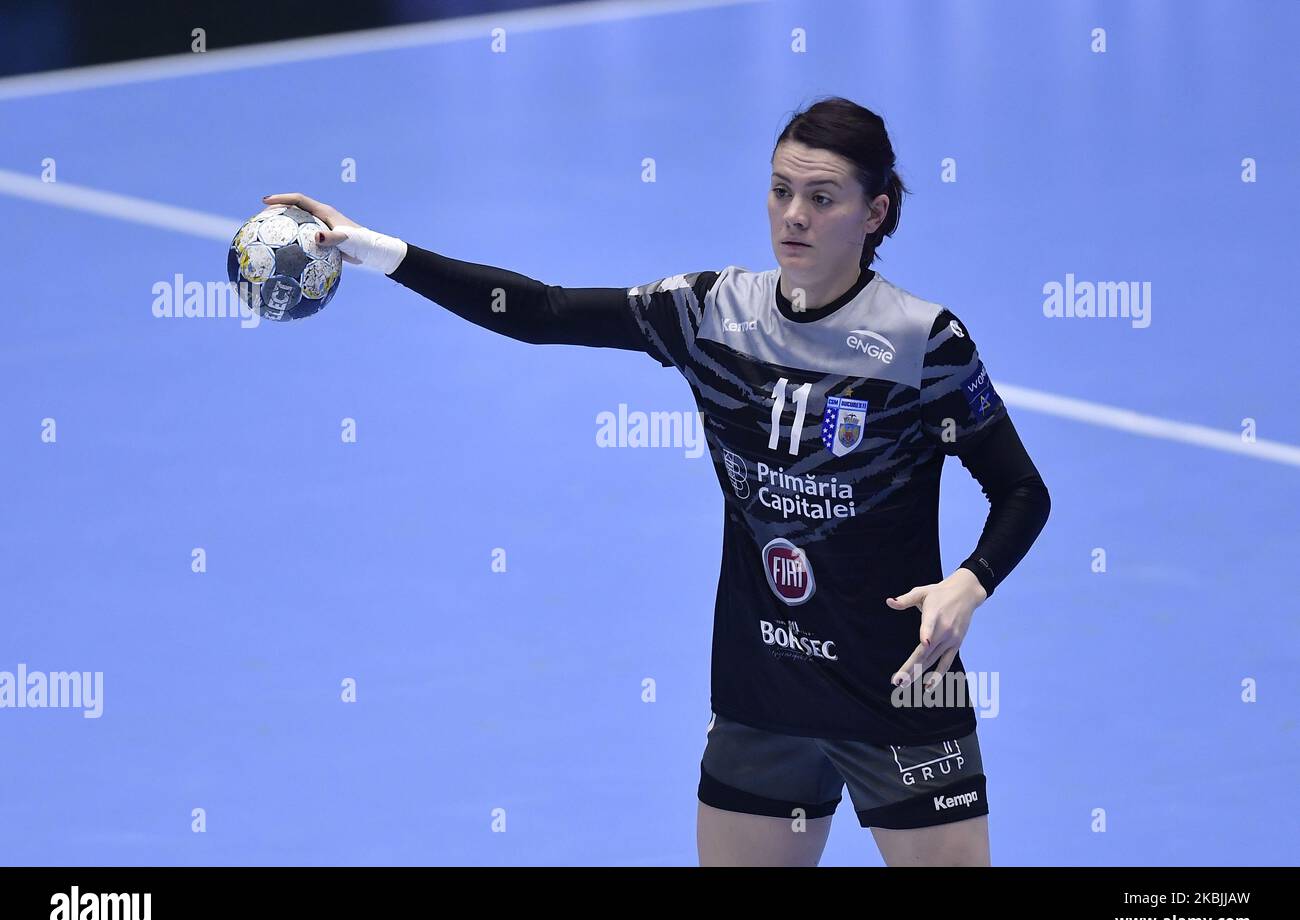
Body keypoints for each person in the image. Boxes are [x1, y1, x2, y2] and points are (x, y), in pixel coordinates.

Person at [262, 95, 1050, 867]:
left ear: (874, 213)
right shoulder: (710, 313)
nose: (793, 216)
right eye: (780, 191)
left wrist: (970, 583)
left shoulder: (923, 343)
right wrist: (379, 251)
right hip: (763, 684)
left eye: (821, 197)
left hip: (904, 689)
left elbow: (1022, 491)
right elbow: (541, 311)